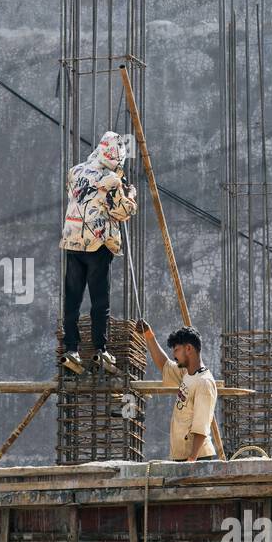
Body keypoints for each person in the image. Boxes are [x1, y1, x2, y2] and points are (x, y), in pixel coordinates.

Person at [58, 131, 138, 373]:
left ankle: (72, 349)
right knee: (99, 301)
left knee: (72, 299)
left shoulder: (75, 171)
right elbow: (122, 211)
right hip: (98, 243)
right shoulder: (111, 178)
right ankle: (100, 349)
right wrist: (131, 195)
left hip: (72, 242)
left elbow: (79, 198)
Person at [138, 320, 218, 461]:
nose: (174, 355)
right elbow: (165, 366)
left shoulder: (204, 383)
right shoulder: (187, 373)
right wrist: (148, 335)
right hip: (184, 456)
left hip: (198, 458)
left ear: (188, 349)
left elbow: (201, 427)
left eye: (176, 350)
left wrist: (191, 460)